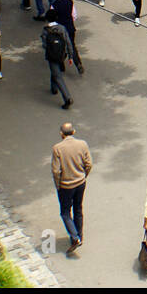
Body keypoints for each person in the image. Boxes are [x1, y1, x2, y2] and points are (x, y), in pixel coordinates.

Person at [51, 123, 91, 254]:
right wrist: (84, 175)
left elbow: (56, 171)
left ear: (61, 134)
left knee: (65, 212)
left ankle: (74, 237)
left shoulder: (57, 148)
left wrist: (58, 185)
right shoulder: (83, 144)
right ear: (73, 131)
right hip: (80, 183)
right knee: (78, 208)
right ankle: (80, 236)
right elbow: (89, 163)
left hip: (66, 185)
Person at [42, 17, 76, 109]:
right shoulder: (62, 28)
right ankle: (54, 88)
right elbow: (68, 42)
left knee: (58, 76)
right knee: (55, 71)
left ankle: (67, 98)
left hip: (52, 56)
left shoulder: (45, 30)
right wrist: (70, 56)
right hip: (61, 55)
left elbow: (44, 45)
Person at [49, 0, 83, 74]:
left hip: (60, 30)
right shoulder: (70, 2)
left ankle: (61, 66)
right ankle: (78, 63)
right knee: (72, 46)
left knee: (61, 47)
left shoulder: (54, 4)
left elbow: (52, 18)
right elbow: (74, 15)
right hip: (70, 28)